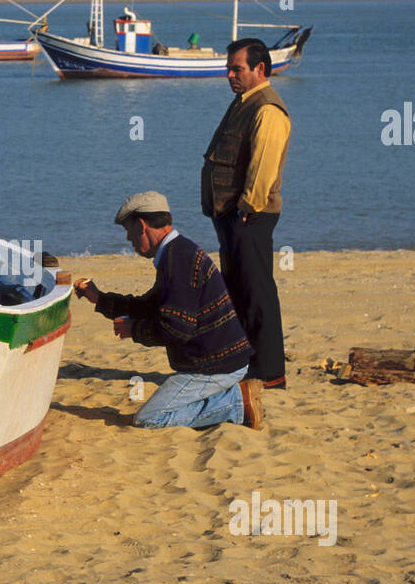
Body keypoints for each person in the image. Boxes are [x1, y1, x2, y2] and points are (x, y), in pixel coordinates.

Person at [75, 192, 263, 430]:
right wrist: (100, 299)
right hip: (224, 361)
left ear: (142, 226)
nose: (128, 239)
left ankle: (236, 401)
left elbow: (177, 329)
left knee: (148, 418)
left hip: (216, 367)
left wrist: (135, 330)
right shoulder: (176, 252)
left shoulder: (178, 259)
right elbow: (148, 306)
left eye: (129, 231)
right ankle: (230, 396)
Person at [201, 37, 290, 388]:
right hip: (234, 215)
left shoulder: (266, 108)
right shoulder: (244, 101)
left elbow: (262, 169)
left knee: (257, 294)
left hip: (249, 216)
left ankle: (270, 373)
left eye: (237, 68)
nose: (229, 74)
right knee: (239, 291)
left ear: (259, 69)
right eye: (229, 68)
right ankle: (248, 366)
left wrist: (244, 210)